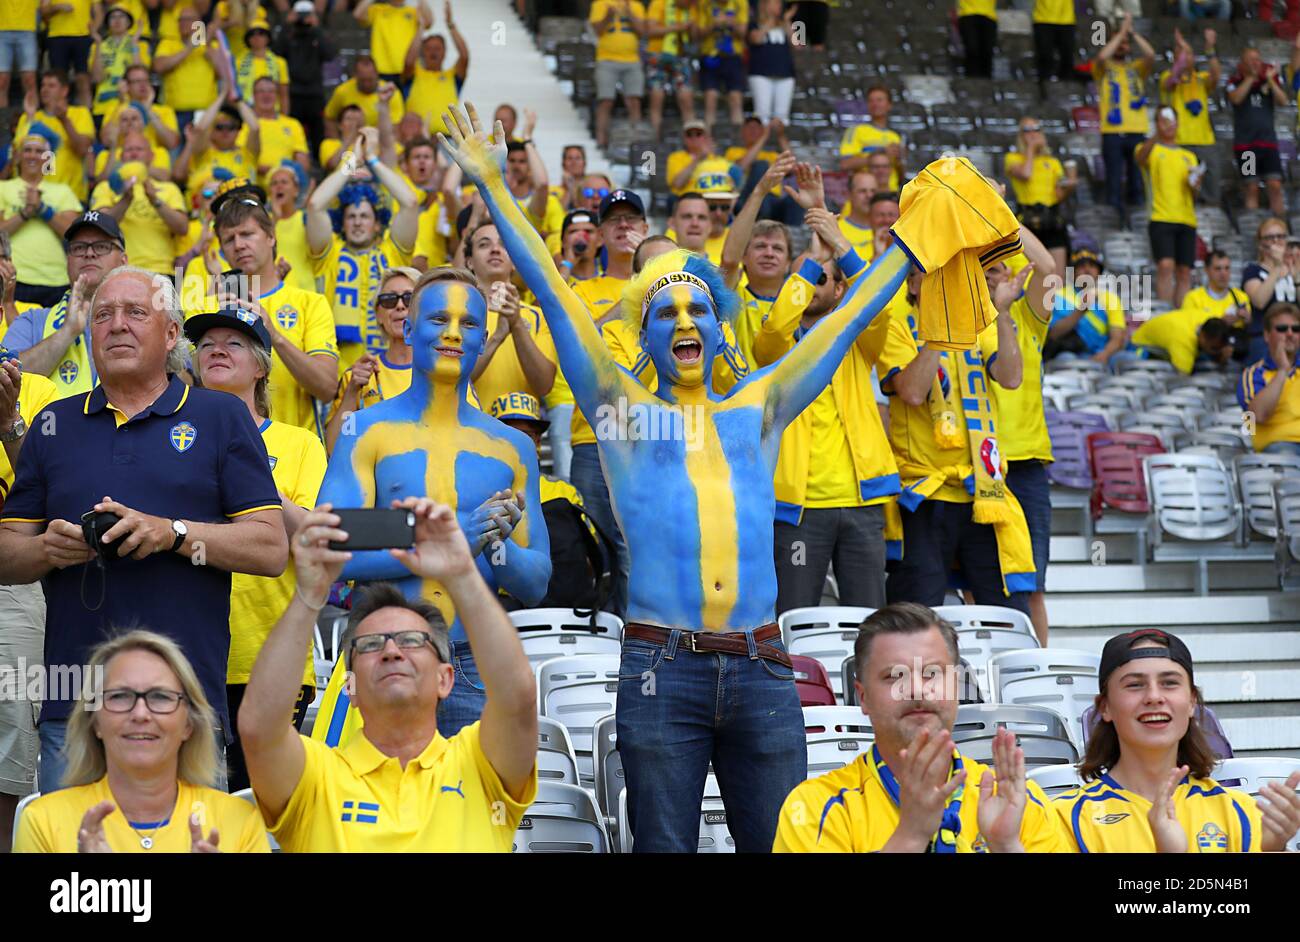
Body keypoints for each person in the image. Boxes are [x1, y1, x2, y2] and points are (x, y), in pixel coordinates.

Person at [442, 102, 1010, 853]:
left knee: (779, 850)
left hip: (764, 665)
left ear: (718, 330)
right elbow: (549, 285)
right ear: (642, 336)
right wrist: (491, 182)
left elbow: (847, 321)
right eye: (664, 311)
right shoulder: (621, 411)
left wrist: (911, 247)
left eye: (699, 308)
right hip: (658, 667)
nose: (683, 320)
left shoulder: (761, 406)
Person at [0, 264, 288, 791]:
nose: (116, 325)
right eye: (103, 314)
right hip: (76, 707)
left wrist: (171, 533)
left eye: (136, 312)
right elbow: (6, 556)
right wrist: (48, 549)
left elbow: (271, 548)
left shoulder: (220, 415)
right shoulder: (53, 424)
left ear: (172, 333)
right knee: (74, 867)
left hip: (188, 704)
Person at [313, 267, 551, 741]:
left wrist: (495, 546)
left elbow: (537, 582)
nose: (451, 333)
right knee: (369, 810)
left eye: (467, 325)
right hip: (381, 652)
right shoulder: (367, 429)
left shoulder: (512, 447)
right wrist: (443, 536)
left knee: (469, 813)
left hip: (473, 661)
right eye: (438, 318)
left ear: (484, 340)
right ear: (407, 327)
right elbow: (329, 544)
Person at [238, 498, 538, 851]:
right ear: (348, 686)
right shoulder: (316, 778)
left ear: (445, 678)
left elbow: (517, 700)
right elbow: (259, 728)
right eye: (370, 645)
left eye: (412, 641)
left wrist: (461, 573)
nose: (392, 651)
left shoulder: (479, 765)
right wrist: (308, 594)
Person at [773, 603, 1066, 852]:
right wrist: (910, 836)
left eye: (932, 673)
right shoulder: (812, 808)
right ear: (862, 697)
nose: (915, 690)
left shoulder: (1018, 800)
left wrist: (1007, 847)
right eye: (893, 676)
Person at [187, 304, 326, 794]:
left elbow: (316, 538)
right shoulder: (171, 438)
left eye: (235, 343)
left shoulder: (300, 443)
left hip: (269, 656)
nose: (217, 349)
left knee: (267, 809)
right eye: (206, 344)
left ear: (262, 367)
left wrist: (254, 474)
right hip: (185, 655)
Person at [754, 200, 897, 614]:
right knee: (792, 621)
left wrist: (841, 247)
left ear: (839, 291)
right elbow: (774, 330)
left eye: (824, 279)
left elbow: (877, 308)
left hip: (861, 504)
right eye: (806, 279)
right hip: (796, 509)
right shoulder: (779, 352)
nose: (814, 283)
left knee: (870, 621)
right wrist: (813, 262)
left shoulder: (856, 344)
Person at [13, 630, 271, 852]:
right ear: (94, 722)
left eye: (160, 697)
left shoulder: (240, 822)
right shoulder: (42, 821)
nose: (140, 713)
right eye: (120, 696)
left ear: (189, 724)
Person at [879, 252, 1035, 615]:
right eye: (931, 277)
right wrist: (939, 333)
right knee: (917, 615)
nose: (942, 285)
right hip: (924, 495)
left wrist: (1005, 313)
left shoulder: (978, 326)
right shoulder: (897, 326)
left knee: (1004, 613)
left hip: (983, 492)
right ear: (913, 285)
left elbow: (1011, 377)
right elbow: (913, 392)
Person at [1054, 629, 1300, 852]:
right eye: (1135, 685)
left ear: (1192, 701)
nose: (1153, 696)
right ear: (1104, 707)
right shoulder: (1066, 818)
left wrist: (1274, 850)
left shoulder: (1242, 814)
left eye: (1169, 683)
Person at [205, 190, 339, 433]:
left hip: (296, 453)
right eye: (229, 239)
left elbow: (328, 388)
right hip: (226, 448)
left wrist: (273, 335)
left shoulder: (310, 303)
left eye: (247, 234)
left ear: (271, 237)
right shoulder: (208, 306)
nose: (239, 245)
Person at [984, 230, 1061, 647]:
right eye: (985, 271)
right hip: (979, 467)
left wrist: (1003, 214)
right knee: (979, 581)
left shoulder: (1030, 318)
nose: (994, 277)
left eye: (1000, 268)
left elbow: (1048, 269)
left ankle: (1039, 667)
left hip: (1027, 466)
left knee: (1031, 582)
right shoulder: (964, 322)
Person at [0, 354, 58, 852]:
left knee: (12, 739)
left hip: (12, 584)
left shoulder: (39, 395)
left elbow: (52, 495)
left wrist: (8, 422)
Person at [307, 127, 420, 367]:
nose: (358, 222)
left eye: (365, 216)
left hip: (390, 369)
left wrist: (373, 160)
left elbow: (410, 203)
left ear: (377, 224)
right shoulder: (330, 254)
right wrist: (352, 161)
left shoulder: (393, 252)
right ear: (342, 223)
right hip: (340, 372)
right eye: (351, 216)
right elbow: (316, 205)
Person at [488, 391, 609, 609]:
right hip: (504, 603)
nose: (521, 441)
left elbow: (591, 557)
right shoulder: (482, 491)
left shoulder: (563, 491)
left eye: (529, 435)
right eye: (511, 433)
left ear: (537, 441)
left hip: (563, 604)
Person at [0, 211, 125, 396]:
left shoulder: (146, 318)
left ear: (124, 260)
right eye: (79, 247)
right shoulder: (33, 320)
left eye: (102, 246)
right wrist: (66, 332)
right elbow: (7, 380)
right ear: (67, 260)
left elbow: (180, 377)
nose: (89, 253)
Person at [465, 222, 557, 407]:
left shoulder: (538, 316)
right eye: (484, 244)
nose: (495, 250)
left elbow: (544, 385)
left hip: (521, 430)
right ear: (469, 262)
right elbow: (455, 380)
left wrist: (517, 325)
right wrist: (497, 337)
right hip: (469, 431)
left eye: (503, 244)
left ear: (514, 261)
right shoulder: (457, 313)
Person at [324, 266, 416, 452]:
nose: (400, 305)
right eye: (389, 300)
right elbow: (334, 447)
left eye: (410, 298)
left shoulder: (442, 369)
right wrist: (352, 393)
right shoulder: (358, 376)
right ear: (378, 315)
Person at [0, 136, 84, 308]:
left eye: (39, 151)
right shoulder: (2, 187)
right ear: (17, 156)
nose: (33, 155)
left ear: (48, 158)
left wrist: (43, 209)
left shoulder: (63, 191)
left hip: (56, 279)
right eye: (27, 150)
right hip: (14, 277)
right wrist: (25, 213)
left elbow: (73, 233)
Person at [90, 134, 188, 276]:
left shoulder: (169, 188)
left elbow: (182, 227)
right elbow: (99, 226)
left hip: (162, 271)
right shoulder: (106, 187)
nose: (134, 153)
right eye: (129, 150)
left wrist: (155, 200)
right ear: (121, 157)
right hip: (119, 271)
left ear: (151, 156)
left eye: (139, 149)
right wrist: (126, 199)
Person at [1095, 14, 1155, 223]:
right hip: (1112, 132)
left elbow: (1151, 54)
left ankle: (1137, 221)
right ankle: (1114, 222)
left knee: (1136, 182)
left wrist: (1133, 33)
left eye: (1125, 44)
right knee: (1113, 180)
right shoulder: (1102, 68)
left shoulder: (1136, 68)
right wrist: (1120, 33)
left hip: (1137, 131)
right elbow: (1102, 56)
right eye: (1118, 43)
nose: (1122, 45)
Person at [1138, 107, 1201, 306]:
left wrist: (1195, 183)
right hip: (1160, 216)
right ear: (1157, 123)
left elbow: (1195, 191)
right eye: (1164, 120)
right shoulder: (1152, 149)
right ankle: (1165, 311)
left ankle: (1180, 315)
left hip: (1187, 218)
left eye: (1172, 119)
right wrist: (1157, 134)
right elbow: (1140, 158)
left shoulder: (1189, 156)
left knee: (1184, 271)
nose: (1169, 124)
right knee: (1165, 265)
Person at [1006, 117, 1076, 276]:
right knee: (1028, 271)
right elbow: (1025, 174)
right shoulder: (1013, 159)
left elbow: (1059, 195)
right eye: (1027, 130)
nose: (1032, 134)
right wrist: (1030, 148)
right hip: (1028, 218)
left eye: (1036, 129)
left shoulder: (1052, 162)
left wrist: (1070, 185)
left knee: (1057, 275)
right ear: (1020, 135)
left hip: (1052, 218)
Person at [16, 70, 96, 205]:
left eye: (51, 85)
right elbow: (18, 155)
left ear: (64, 91)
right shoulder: (29, 117)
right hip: (34, 194)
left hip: (71, 195)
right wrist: (30, 116)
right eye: (43, 85)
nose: (45, 89)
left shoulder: (80, 113)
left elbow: (83, 149)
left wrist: (64, 120)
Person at [1161, 28, 1221, 206]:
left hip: (1205, 141)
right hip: (1180, 142)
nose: (1187, 57)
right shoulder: (1168, 78)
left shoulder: (1201, 78)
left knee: (1212, 186)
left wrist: (1210, 49)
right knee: (1183, 189)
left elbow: (1216, 76)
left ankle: (1210, 216)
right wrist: (1182, 49)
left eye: (1190, 54)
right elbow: (1173, 77)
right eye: (1182, 55)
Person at [1228, 46, 1289, 217]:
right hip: (1246, 146)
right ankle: (1253, 225)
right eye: (1251, 60)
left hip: (1268, 144)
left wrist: (1270, 81)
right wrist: (1250, 78)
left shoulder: (1269, 80)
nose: (1255, 63)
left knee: (1275, 185)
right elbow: (1236, 98)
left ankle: (1281, 225)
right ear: (1243, 63)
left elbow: (1283, 101)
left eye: (1257, 60)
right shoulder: (1235, 81)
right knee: (1251, 187)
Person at [272, 0, 335, 158]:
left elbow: (330, 54)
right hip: (293, 93)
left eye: (307, 15)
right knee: (293, 133)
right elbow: (276, 53)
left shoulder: (317, 34)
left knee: (318, 136)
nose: (303, 19)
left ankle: (319, 162)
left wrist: (317, 28)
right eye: (300, 15)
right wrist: (287, 25)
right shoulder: (288, 34)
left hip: (314, 93)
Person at [1238, 303, 1300, 455]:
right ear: (1266, 335)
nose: (1290, 334)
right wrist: (1282, 371)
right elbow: (1256, 416)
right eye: (1282, 329)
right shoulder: (1253, 374)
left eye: (1296, 329)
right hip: (1280, 449)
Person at [1048, 248, 1128, 364]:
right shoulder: (1059, 295)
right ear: (1073, 272)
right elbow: (1053, 334)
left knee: (1127, 359)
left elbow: (1117, 338)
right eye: (1081, 266)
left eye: (1092, 266)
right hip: (1071, 352)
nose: (1087, 270)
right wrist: (1080, 312)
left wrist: (1104, 354)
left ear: (1099, 273)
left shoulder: (1110, 298)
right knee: (1066, 359)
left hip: (1103, 353)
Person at [403, 3, 470, 139]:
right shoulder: (414, 74)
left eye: (437, 48)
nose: (433, 52)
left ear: (445, 53)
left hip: (450, 140)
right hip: (418, 141)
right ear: (422, 53)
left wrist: (450, 24)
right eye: (428, 48)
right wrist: (420, 28)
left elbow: (464, 56)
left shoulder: (452, 76)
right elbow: (409, 61)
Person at [152, 7, 223, 131]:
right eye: (181, 20)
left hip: (205, 111)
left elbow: (224, 74)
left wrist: (207, 46)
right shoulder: (168, 44)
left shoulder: (212, 46)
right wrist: (189, 48)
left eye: (189, 19)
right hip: (175, 111)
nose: (183, 23)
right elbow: (159, 67)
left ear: (199, 24)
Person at [589, 1, 646, 149]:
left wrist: (630, 14)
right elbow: (597, 31)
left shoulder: (636, 5)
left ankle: (635, 140)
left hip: (632, 60)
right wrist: (608, 16)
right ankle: (601, 140)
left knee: (634, 101)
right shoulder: (600, 4)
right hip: (606, 59)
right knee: (605, 101)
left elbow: (642, 32)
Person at [1242, 219, 1296, 364]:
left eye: (1280, 236)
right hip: (1265, 338)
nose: (1276, 241)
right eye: (1270, 237)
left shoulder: (1295, 270)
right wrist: (1277, 267)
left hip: (1295, 336)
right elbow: (1259, 301)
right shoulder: (1252, 271)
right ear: (1260, 244)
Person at [644, 0, 697, 138]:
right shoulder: (658, 3)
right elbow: (650, 30)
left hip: (680, 56)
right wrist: (678, 27)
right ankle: (655, 139)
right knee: (657, 97)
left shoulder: (691, 8)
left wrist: (692, 29)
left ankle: (692, 140)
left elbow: (694, 37)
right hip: (658, 55)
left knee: (686, 98)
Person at [89, 5, 148, 125]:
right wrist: (99, 45)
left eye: (121, 17)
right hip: (103, 106)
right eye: (113, 17)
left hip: (131, 107)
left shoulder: (140, 45)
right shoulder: (98, 46)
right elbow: (96, 78)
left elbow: (139, 74)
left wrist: (134, 44)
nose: (117, 20)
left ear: (129, 22)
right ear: (107, 23)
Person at [838, 86, 904, 194]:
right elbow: (845, 164)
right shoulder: (855, 131)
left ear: (889, 105)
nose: (875, 104)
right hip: (866, 194)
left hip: (890, 195)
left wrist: (900, 160)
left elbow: (899, 173)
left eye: (879, 100)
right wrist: (882, 152)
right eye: (871, 101)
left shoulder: (895, 136)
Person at [102, 63, 181, 152]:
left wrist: (148, 110)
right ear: (126, 85)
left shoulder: (165, 111)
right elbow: (106, 141)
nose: (143, 85)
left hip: (153, 159)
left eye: (146, 80)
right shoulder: (114, 109)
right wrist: (122, 104)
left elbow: (172, 143)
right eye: (137, 81)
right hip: (122, 158)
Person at [1130, 307, 1232, 374]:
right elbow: (1182, 378)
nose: (1218, 351)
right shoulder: (1184, 342)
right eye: (1214, 348)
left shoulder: (1210, 318)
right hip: (1141, 347)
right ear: (1203, 337)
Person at [696, 0, 747, 130]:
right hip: (710, 56)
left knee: (735, 98)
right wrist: (713, 24)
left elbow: (743, 33)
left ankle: (738, 141)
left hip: (732, 56)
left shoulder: (740, 3)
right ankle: (708, 140)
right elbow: (698, 34)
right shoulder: (704, 3)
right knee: (710, 98)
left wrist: (731, 23)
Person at [323, 55, 405, 136]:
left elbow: (395, 127)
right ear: (355, 75)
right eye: (362, 80)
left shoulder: (390, 93)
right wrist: (334, 142)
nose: (366, 84)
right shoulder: (342, 91)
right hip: (350, 142)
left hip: (380, 141)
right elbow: (329, 117)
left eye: (370, 80)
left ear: (377, 74)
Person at [249, 77, 310, 183]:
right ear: (254, 96)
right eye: (261, 91)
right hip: (255, 187)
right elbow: (243, 160)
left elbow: (303, 163)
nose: (266, 95)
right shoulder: (247, 124)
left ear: (277, 96)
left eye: (271, 91)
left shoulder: (292, 124)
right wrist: (275, 171)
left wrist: (282, 173)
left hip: (286, 185)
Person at [355, 0, 430, 83]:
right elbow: (358, 15)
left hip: (407, 70)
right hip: (381, 70)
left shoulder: (413, 11)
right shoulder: (377, 9)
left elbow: (428, 22)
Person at [41, 0, 99, 108]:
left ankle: (86, 116)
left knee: (83, 78)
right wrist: (57, 7)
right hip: (57, 37)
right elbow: (43, 11)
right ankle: (57, 113)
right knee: (58, 79)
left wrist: (93, 30)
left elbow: (98, 12)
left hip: (83, 36)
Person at [746, 0, 796, 125]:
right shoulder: (754, 24)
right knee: (762, 114)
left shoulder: (785, 25)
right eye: (774, 3)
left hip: (785, 74)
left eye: (779, 4)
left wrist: (786, 21)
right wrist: (769, 22)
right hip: (761, 74)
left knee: (782, 116)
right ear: (764, 5)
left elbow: (797, 44)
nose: (778, 7)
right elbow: (756, 39)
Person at [667, 121, 741, 199]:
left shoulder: (718, 160)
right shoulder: (676, 157)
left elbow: (733, 183)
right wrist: (699, 158)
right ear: (684, 139)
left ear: (706, 138)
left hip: (714, 198)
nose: (694, 137)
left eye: (698, 134)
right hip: (687, 199)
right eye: (689, 134)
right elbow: (678, 183)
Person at [233, 17, 289, 112]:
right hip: (245, 113)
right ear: (248, 39)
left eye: (261, 34)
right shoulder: (237, 62)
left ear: (268, 38)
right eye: (252, 34)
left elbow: (283, 95)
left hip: (273, 114)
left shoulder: (280, 63)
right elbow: (233, 92)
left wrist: (284, 118)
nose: (256, 37)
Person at [1183, 250, 1249, 328]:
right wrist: (1221, 323)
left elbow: (1248, 324)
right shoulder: (1193, 298)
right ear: (1206, 270)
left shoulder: (1240, 296)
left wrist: (1247, 319)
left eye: (1227, 268)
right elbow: (1189, 329)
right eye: (1218, 269)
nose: (1223, 273)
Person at [0, 0, 39, 109]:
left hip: (27, 30)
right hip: (2, 30)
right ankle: (2, 121)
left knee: (30, 79)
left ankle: (33, 121)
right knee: (1, 80)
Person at [1032, 0, 1076, 89]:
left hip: (1067, 20)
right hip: (1043, 18)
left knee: (1067, 58)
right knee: (1045, 57)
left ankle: (1066, 90)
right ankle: (1043, 90)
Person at [836, 169, 877, 255]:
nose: (869, 195)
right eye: (862, 191)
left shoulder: (887, 231)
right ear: (849, 194)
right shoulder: (835, 230)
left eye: (873, 191)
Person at [957, 0, 997, 79]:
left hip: (989, 15)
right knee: (972, 49)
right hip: (967, 13)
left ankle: (986, 83)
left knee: (987, 52)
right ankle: (971, 80)